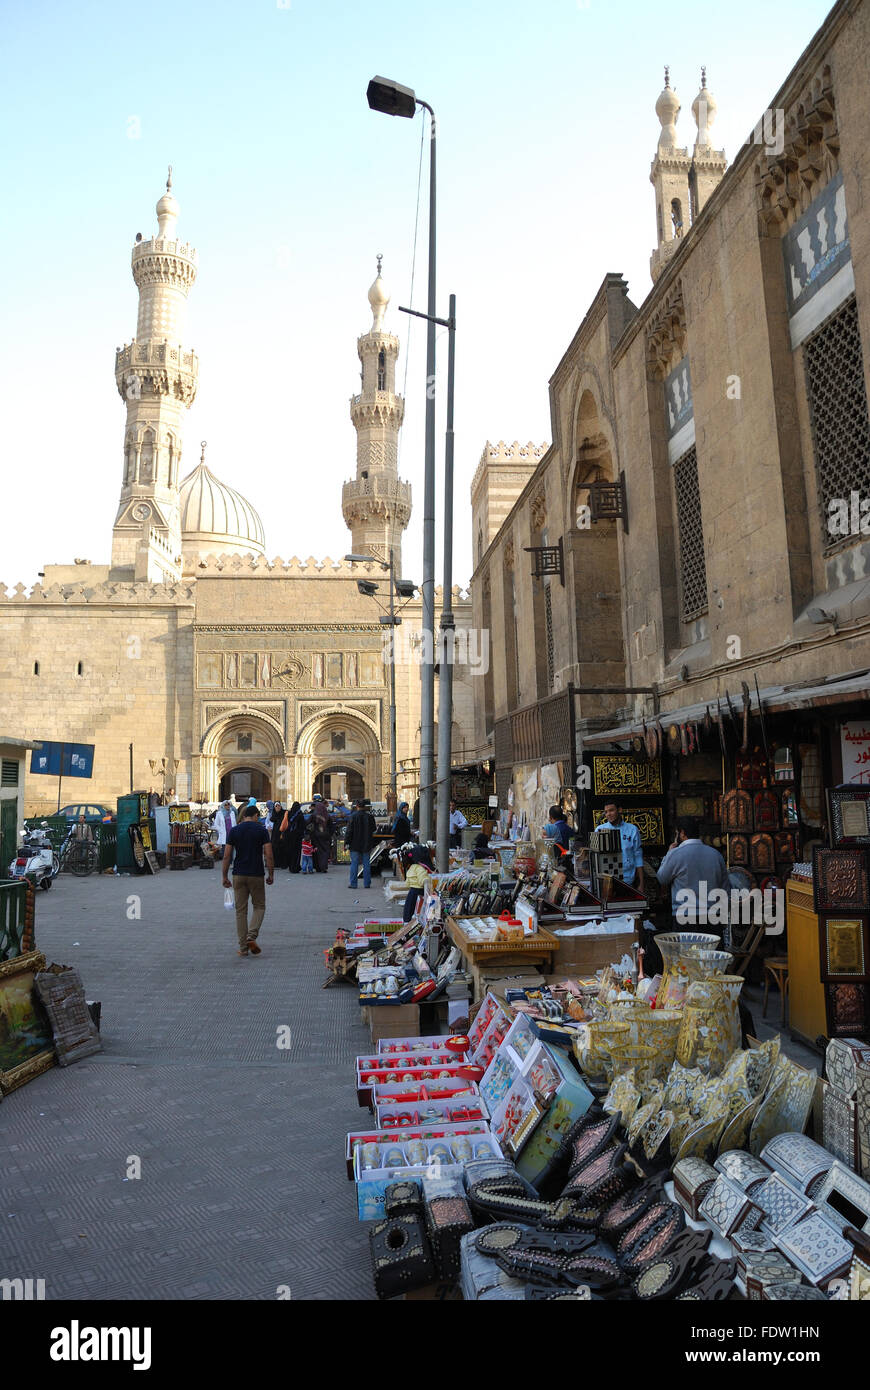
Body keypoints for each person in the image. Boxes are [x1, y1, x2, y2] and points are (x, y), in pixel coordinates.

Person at [656, 816, 729, 928]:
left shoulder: (676, 854)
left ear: (682, 833)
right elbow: (725, 888)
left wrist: (669, 854)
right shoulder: (716, 855)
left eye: (676, 833)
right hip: (713, 917)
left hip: (685, 917)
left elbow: (662, 878)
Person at [221, 804, 274, 958]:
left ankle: (243, 948)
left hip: (238, 874)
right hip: (256, 874)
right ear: (256, 815)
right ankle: (251, 935)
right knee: (259, 906)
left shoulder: (234, 830)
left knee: (241, 911)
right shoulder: (261, 831)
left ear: (244, 816)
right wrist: (271, 874)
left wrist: (224, 876)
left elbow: (227, 855)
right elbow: (269, 854)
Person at [601, 800, 645, 891]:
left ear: (619, 810)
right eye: (606, 812)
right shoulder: (600, 830)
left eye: (611, 810)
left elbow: (638, 856)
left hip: (628, 881)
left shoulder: (632, 829)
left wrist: (641, 883)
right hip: (607, 881)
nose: (608, 814)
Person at [346, 798, 377, 890]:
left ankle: (353, 883)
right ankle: (367, 883)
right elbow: (374, 829)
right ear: (365, 806)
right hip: (366, 843)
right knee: (366, 864)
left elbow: (349, 831)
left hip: (354, 844)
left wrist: (347, 842)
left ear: (357, 806)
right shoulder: (370, 817)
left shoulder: (353, 816)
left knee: (354, 864)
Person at [403, 845, 434, 923]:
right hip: (419, 892)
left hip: (411, 892)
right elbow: (423, 880)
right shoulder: (420, 868)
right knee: (418, 909)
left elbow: (407, 883)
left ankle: (407, 922)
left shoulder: (412, 867)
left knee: (409, 908)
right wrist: (427, 886)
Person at [309, 795, 332, 873]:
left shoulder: (314, 815)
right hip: (325, 835)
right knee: (325, 851)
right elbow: (331, 826)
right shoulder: (327, 815)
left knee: (316, 851)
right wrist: (329, 834)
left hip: (316, 835)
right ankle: (323, 867)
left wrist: (309, 833)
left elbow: (308, 824)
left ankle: (317, 867)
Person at [280, 800, 304, 873]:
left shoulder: (289, 813)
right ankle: (295, 867)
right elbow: (302, 826)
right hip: (297, 837)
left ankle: (291, 866)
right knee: (296, 852)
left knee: (290, 851)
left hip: (289, 835)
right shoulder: (300, 814)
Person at [269, 800, 285, 868]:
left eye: (279, 806)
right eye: (276, 806)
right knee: (274, 847)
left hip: (282, 833)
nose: (278, 807)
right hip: (275, 834)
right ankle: (275, 863)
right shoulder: (273, 814)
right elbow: (271, 819)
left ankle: (282, 863)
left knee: (281, 847)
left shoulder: (283, 813)